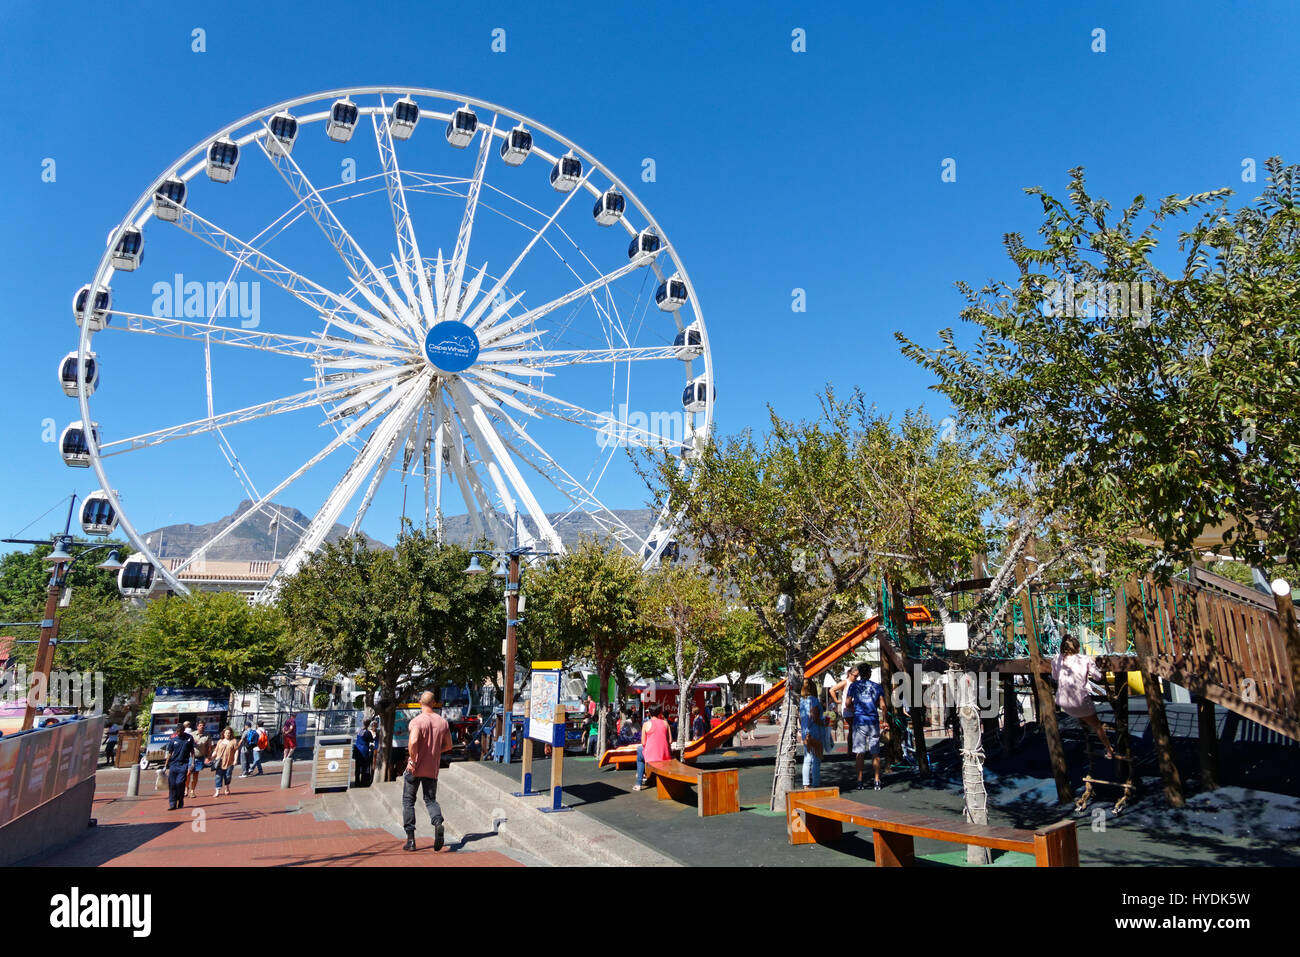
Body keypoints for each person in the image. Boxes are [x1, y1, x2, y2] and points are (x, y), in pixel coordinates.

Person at [402, 691, 452, 852]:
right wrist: (436, 752)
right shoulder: (443, 722)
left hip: (414, 768)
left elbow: (414, 740)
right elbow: (449, 745)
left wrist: (413, 758)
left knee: (408, 801)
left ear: (419, 703)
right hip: (432, 768)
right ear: (434, 703)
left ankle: (410, 840)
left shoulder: (417, 721)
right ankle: (437, 823)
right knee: (430, 800)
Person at [1052, 634, 1114, 758]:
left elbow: (1054, 677)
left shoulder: (1056, 659)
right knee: (1097, 725)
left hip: (1062, 701)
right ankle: (1109, 749)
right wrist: (1096, 665)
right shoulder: (1084, 659)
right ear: (1078, 648)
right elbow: (1098, 677)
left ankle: (1085, 728)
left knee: (1083, 715)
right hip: (1079, 702)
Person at [847, 666, 884, 790]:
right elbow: (883, 705)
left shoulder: (853, 686)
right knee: (875, 752)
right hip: (873, 720)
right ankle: (877, 780)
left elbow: (847, 703)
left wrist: (854, 707)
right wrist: (884, 720)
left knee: (859, 753)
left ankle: (859, 780)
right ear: (869, 674)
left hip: (859, 720)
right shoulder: (877, 686)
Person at [633, 705, 672, 791]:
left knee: (639, 754)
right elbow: (670, 741)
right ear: (660, 713)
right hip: (664, 755)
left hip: (651, 756)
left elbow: (643, 743)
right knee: (640, 751)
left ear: (649, 713)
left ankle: (639, 783)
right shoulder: (665, 723)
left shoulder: (646, 724)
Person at [798, 678, 824, 787]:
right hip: (815, 732)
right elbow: (814, 716)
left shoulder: (801, 701)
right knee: (816, 760)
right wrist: (823, 723)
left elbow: (800, 718)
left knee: (807, 759)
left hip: (805, 732)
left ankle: (805, 784)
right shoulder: (814, 700)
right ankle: (815, 783)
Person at [164, 724, 195, 810]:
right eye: (177, 731)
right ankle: (172, 803)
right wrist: (166, 765)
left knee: (180, 783)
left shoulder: (189, 738)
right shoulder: (173, 740)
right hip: (173, 764)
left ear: (183, 730)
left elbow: (192, 752)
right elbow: (170, 752)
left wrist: (192, 763)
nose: (178, 733)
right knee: (172, 784)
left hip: (183, 764)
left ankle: (180, 800)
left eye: (180, 731)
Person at [187, 721, 213, 798]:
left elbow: (209, 747)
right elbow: (187, 744)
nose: (202, 727)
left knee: (195, 774)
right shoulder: (192, 734)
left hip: (200, 757)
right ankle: (186, 788)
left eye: (203, 725)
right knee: (188, 773)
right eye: (200, 725)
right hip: (191, 756)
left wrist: (208, 757)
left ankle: (192, 791)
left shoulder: (207, 736)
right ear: (197, 726)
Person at [212, 727, 238, 796]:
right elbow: (216, 750)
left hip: (229, 762)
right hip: (220, 762)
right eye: (226, 733)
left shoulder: (233, 741)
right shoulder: (220, 741)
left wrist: (235, 760)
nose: (227, 734)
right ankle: (217, 791)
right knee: (218, 776)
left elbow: (236, 751)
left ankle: (227, 787)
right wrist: (212, 756)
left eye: (229, 733)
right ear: (223, 733)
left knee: (227, 776)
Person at [353, 722, 374, 787]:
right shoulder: (367, 732)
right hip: (364, 750)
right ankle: (363, 781)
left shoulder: (359, 730)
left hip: (357, 749)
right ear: (368, 725)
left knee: (358, 767)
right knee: (364, 767)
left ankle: (357, 781)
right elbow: (371, 740)